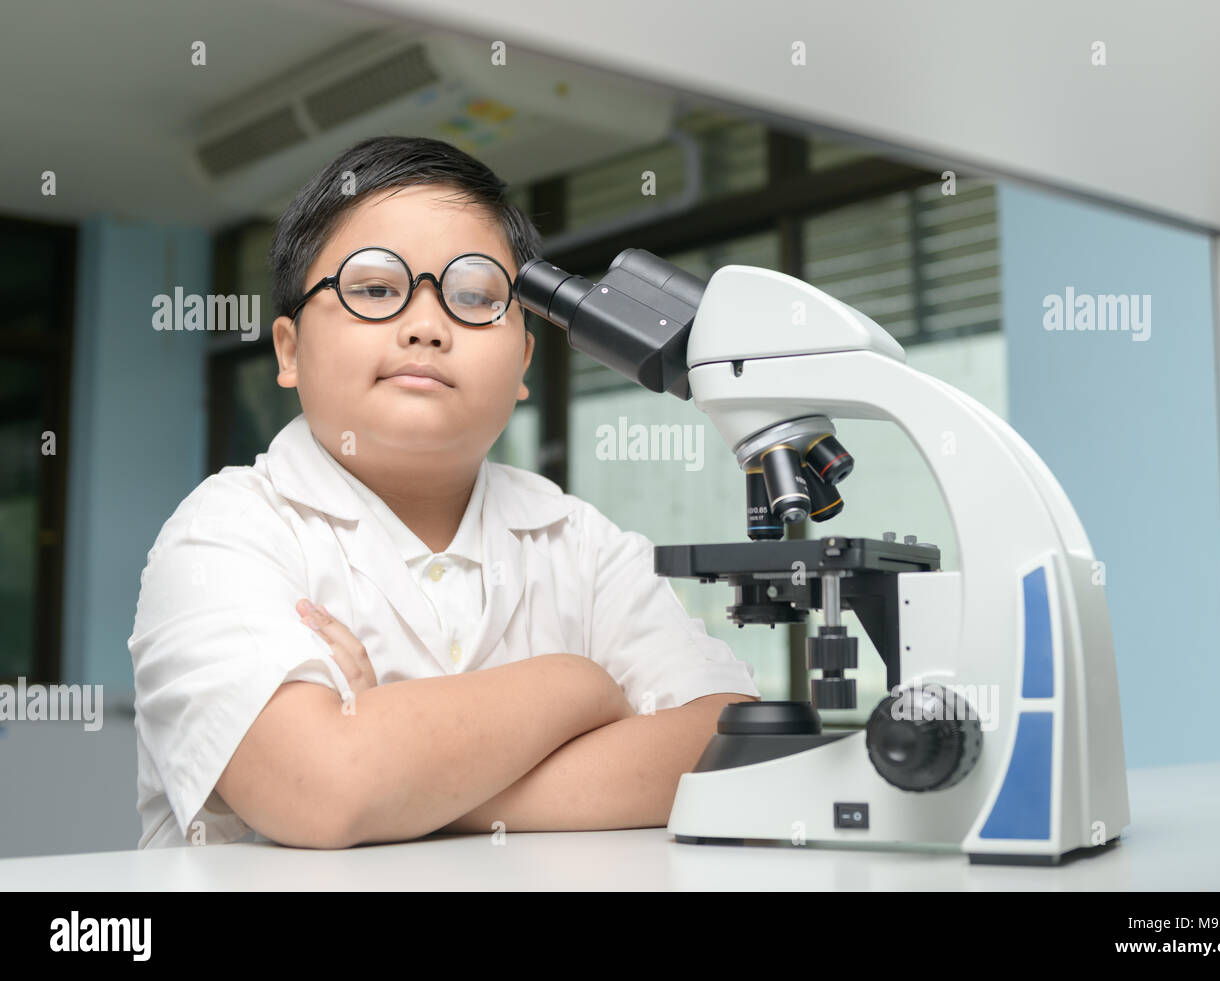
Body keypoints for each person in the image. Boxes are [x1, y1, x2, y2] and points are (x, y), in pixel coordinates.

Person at [128, 135, 760, 849]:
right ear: (289, 349)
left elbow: (733, 740)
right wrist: (578, 684)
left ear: (524, 359)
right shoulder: (226, 532)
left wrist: (405, 784)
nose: (427, 326)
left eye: (475, 296)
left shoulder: (580, 542)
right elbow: (319, 789)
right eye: (372, 289)